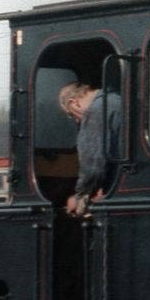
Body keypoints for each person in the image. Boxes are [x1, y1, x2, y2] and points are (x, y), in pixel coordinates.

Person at [57, 81, 121, 216]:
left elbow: (93, 164)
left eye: (71, 114)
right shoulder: (116, 99)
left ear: (74, 102)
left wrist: (81, 196)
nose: (76, 121)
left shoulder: (96, 111)